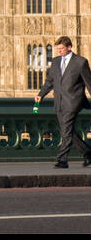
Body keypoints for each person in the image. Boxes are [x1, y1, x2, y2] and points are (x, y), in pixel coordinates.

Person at [34, 35, 91, 168]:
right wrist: (41, 95)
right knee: (68, 130)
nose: (59, 51)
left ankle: (62, 159)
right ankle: (88, 152)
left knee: (66, 129)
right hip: (59, 101)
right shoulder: (55, 61)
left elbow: (89, 83)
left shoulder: (80, 62)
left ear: (69, 47)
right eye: (57, 49)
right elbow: (50, 81)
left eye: (61, 49)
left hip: (73, 101)